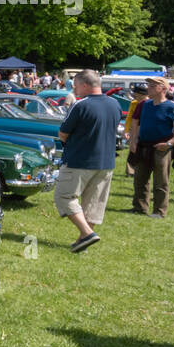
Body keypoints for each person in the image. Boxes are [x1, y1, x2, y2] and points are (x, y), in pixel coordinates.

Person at [53, 71, 119, 253]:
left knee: (64, 197)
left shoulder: (80, 104)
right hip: (106, 161)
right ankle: (83, 241)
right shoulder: (114, 104)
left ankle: (86, 233)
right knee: (94, 203)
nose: (74, 88)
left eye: (75, 85)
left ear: (84, 85)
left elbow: (63, 133)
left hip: (79, 160)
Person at [131, 76, 174, 218]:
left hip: (161, 149)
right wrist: (133, 141)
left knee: (161, 181)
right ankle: (139, 208)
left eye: (151, 86)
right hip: (143, 146)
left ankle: (159, 211)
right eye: (148, 85)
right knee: (140, 179)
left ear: (162, 88)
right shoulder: (145, 105)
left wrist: (169, 144)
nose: (147, 88)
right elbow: (137, 125)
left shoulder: (173, 107)